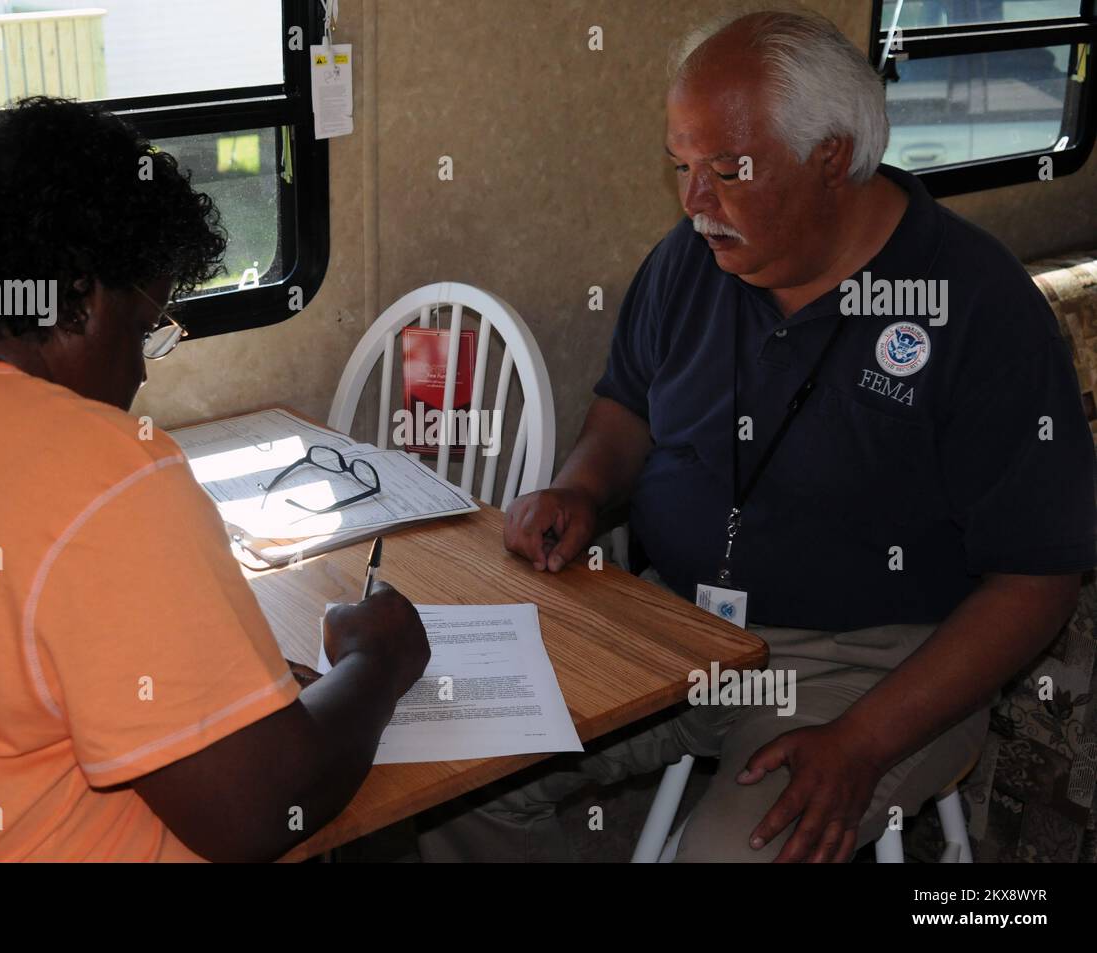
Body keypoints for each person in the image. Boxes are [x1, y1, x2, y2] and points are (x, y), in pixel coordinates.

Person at [419, 8, 1094, 862]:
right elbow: (627, 408)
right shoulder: (687, 261)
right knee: (448, 750)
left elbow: (1038, 581)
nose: (695, 203)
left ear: (832, 158)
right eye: (682, 168)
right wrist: (582, 486)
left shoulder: (980, 309)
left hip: (868, 670)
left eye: (727, 171)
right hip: (671, 623)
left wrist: (864, 741)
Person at [0, 96, 428, 862]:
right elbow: (264, 806)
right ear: (80, 302)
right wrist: (376, 659)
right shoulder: (102, 468)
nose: (140, 371)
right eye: (143, 329)